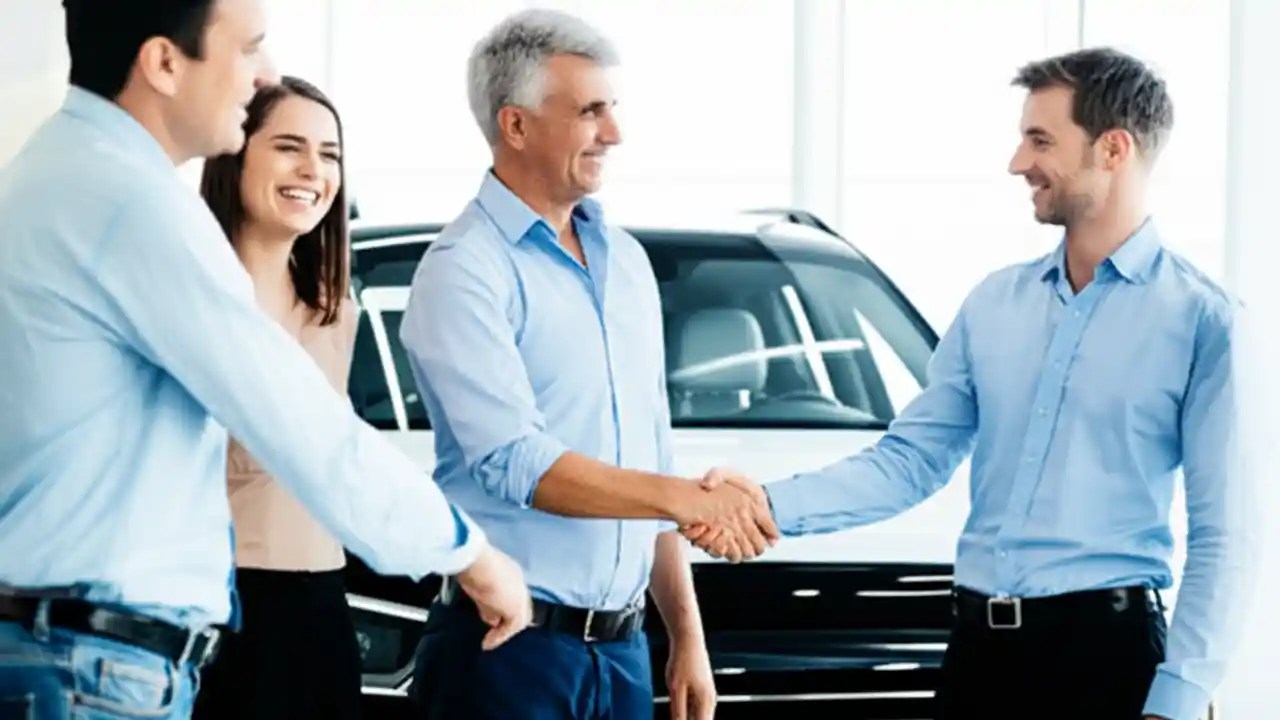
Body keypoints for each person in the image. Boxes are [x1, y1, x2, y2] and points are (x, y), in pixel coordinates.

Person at [0, 2, 531, 718]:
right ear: (163, 63)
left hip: (74, 654)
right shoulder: (134, 205)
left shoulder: (57, 173)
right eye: (249, 48)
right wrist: (471, 554)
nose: (268, 73)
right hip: (88, 669)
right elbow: (302, 422)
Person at [694, 48, 1256, 720]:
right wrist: (761, 504)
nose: (1018, 163)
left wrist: (1179, 699)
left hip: (1109, 663)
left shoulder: (1202, 320)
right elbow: (910, 463)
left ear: (1113, 149)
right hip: (979, 660)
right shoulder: (995, 305)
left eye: (1040, 140)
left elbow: (1228, 534)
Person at [399, 9, 777, 720]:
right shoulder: (465, 271)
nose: (615, 132)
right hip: (505, 655)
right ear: (516, 126)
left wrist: (686, 638)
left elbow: (649, 457)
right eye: (589, 111)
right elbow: (517, 461)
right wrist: (689, 498)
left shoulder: (626, 263)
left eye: (613, 108)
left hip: (624, 656)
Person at [187, 75, 363, 719]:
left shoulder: (334, 308)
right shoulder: (191, 293)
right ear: (236, 153)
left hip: (320, 610)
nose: (312, 171)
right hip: (218, 612)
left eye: (329, 154)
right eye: (289, 147)